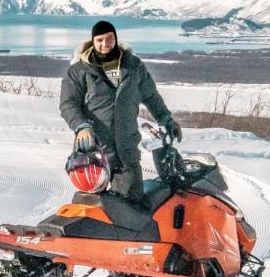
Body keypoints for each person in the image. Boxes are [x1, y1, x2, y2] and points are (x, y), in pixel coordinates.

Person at [59, 20, 181, 203]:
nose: (105, 44)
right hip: (93, 154)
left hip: (126, 152)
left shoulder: (133, 66)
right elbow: (68, 104)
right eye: (100, 40)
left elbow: (151, 97)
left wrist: (166, 119)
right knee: (94, 210)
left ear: (115, 38)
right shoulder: (79, 70)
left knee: (132, 209)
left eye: (110, 38)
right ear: (93, 41)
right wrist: (81, 126)